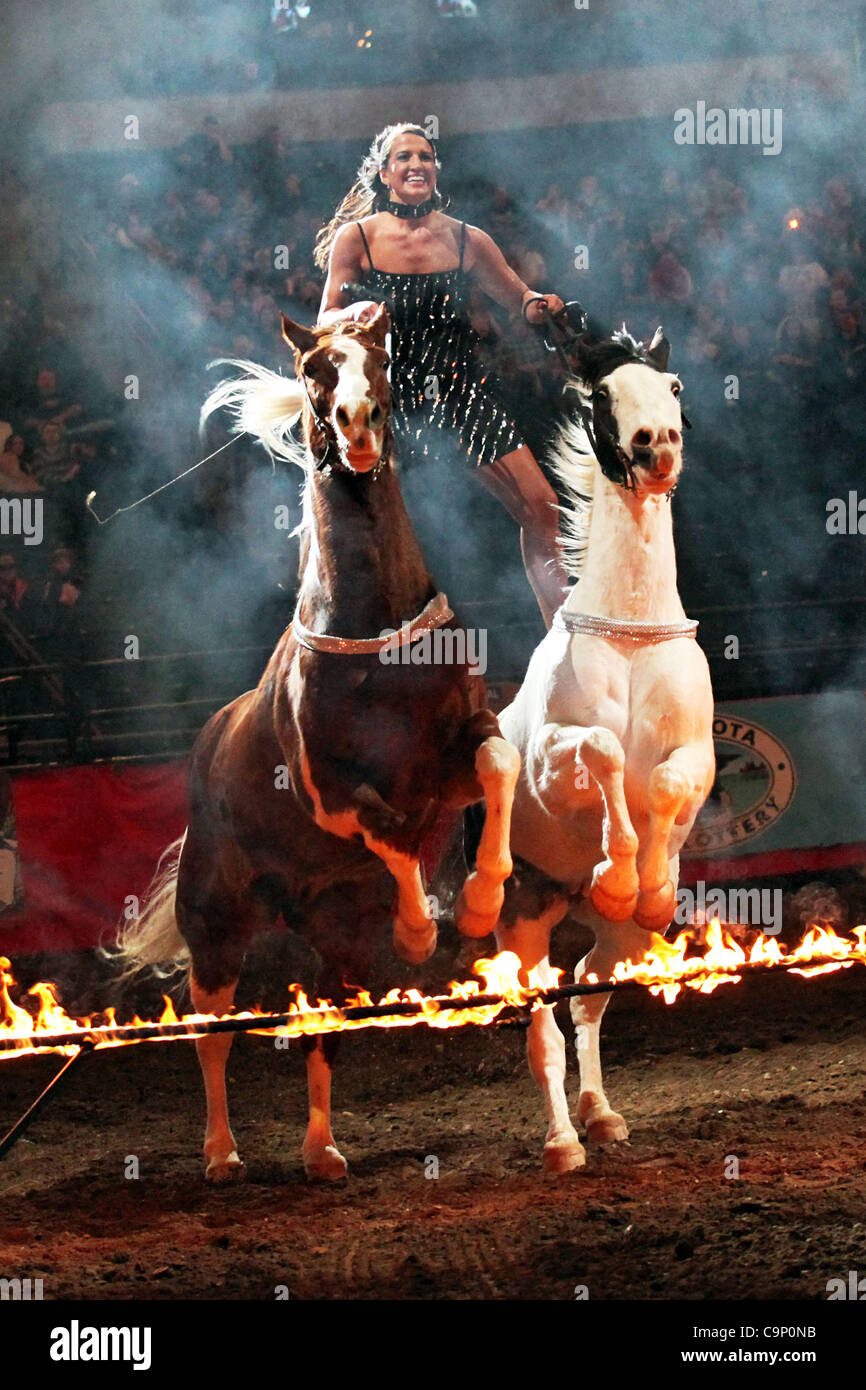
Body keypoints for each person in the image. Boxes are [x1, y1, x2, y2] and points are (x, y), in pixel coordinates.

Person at [315, 122, 570, 626]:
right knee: (379, 536)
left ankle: (562, 638)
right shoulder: (357, 238)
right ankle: (370, 646)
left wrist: (541, 307)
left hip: (461, 395)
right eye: (404, 157)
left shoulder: (465, 239)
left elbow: (520, 299)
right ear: (385, 174)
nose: (417, 164)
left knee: (543, 508)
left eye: (426, 156)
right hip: (393, 401)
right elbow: (325, 316)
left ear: (435, 170)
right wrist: (356, 311)